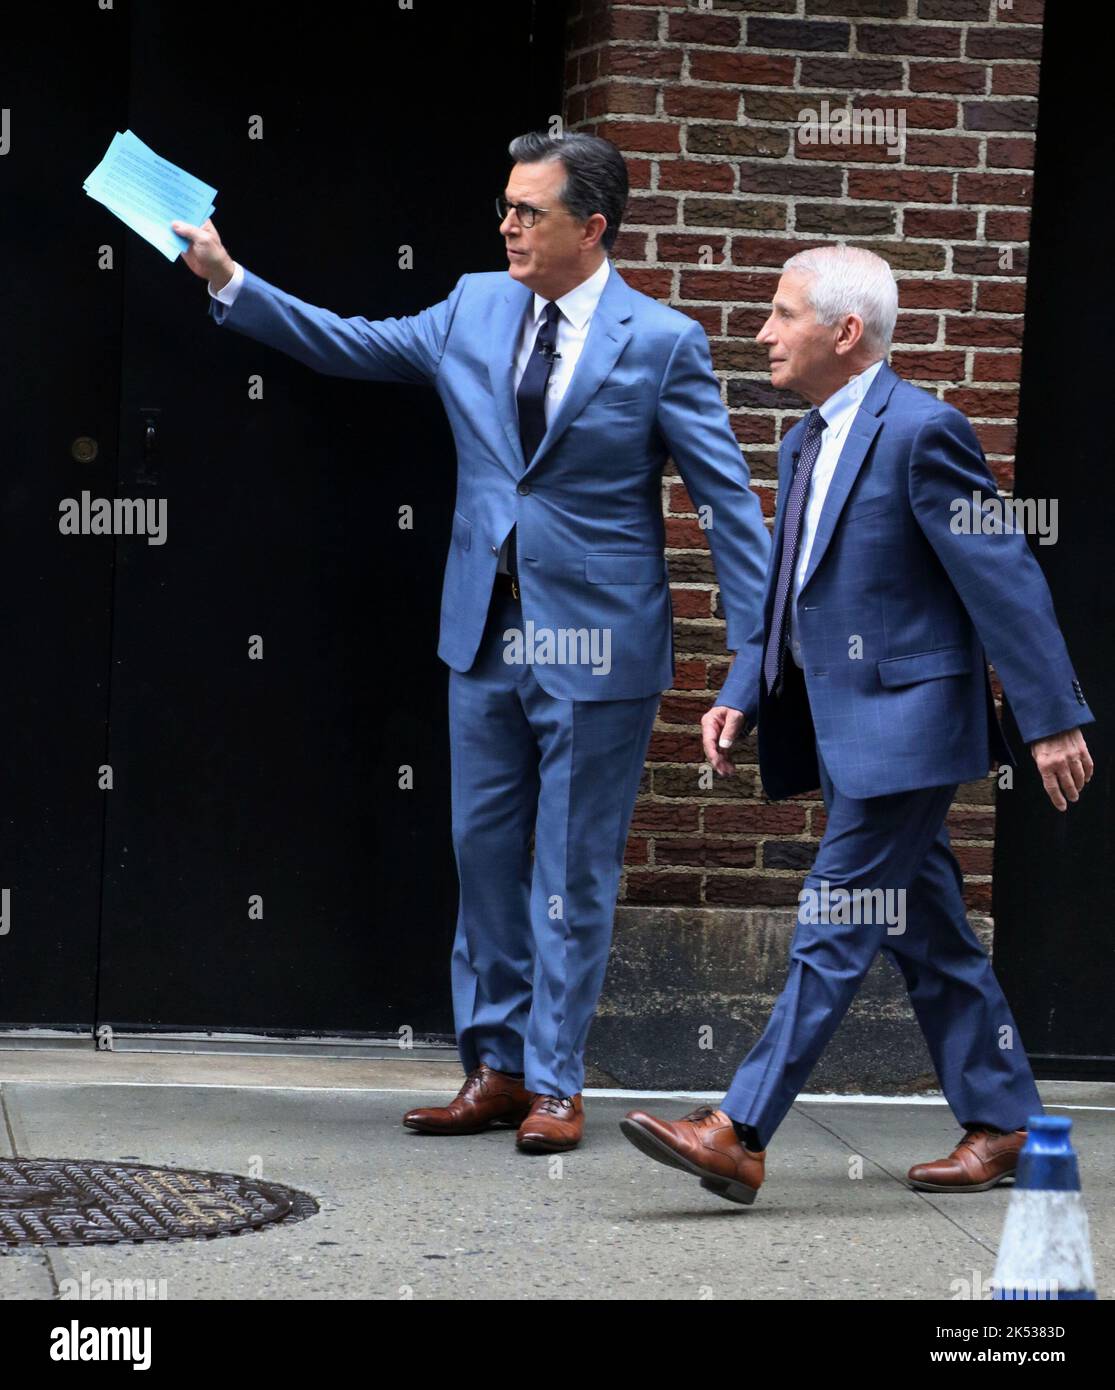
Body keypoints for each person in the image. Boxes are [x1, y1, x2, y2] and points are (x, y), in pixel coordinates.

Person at [172, 131, 769, 1153]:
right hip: (484, 634)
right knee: (484, 855)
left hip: (599, 646)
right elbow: (349, 342)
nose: (506, 225)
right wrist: (231, 280)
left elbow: (730, 509)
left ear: (591, 227)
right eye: (503, 206)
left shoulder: (661, 340)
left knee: (570, 869)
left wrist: (750, 669)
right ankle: (491, 1068)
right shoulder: (473, 304)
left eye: (528, 212)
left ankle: (556, 1084)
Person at [621, 244, 1095, 1204]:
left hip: (907, 729)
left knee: (834, 919)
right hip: (847, 727)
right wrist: (742, 689)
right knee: (930, 937)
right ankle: (1006, 1124)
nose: (761, 332)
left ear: (845, 332)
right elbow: (791, 591)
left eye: (781, 313)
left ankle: (738, 1128)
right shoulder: (804, 440)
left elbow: (1001, 575)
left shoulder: (925, 431)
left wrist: (1048, 717)